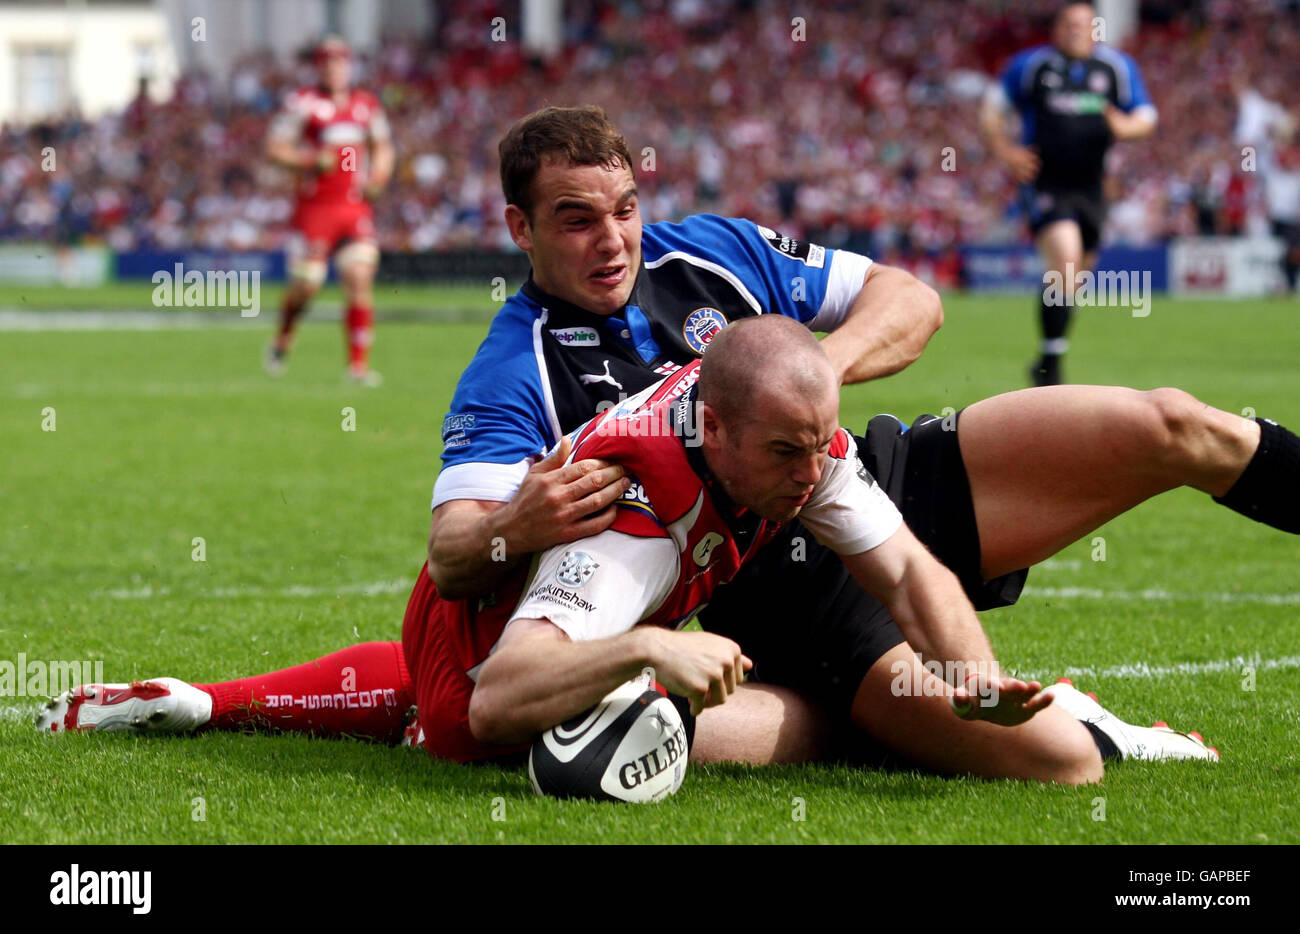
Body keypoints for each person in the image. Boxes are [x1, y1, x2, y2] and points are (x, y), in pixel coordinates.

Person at [41, 105, 1296, 776]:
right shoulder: (520, 367)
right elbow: (455, 551)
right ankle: (1005, 718)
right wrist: (513, 528)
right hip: (755, 582)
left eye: (624, 208)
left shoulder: (714, 252)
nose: (613, 238)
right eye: (576, 219)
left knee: (1174, 426)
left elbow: (907, 299)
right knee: (1043, 762)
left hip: (852, 469)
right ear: (522, 232)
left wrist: (805, 390)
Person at [39, 319, 1218, 785]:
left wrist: (963, 678)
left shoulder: (796, 442)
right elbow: (495, 697)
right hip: (488, 666)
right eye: (788, 454)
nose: (815, 475)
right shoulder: (629, 511)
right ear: (710, 429)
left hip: (481, 634)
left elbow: (911, 572)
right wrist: (650, 639)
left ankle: (207, 700)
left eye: (822, 450)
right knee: (455, 721)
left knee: (835, 695)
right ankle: (1088, 721)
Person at [980, 1, 1158, 385]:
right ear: (1056, 28)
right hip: (1046, 183)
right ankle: (1052, 365)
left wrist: (1128, 127)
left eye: (1083, 24)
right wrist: (1006, 151)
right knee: (1065, 258)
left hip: (1094, 188)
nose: (1075, 30)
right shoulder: (1030, 66)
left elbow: (1146, 116)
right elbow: (991, 111)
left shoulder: (1116, 68)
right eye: (1067, 24)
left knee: (1075, 278)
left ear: (1096, 28)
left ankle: (1048, 353)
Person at [263, 35, 394, 386]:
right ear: (318, 67)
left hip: (353, 207)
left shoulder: (366, 105)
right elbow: (274, 147)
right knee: (308, 284)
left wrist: (379, 175)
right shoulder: (303, 103)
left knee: (359, 277)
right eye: (327, 62)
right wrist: (307, 159)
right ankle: (282, 338)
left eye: (340, 62)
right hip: (315, 209)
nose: (334, 68)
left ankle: (358, 367)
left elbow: (383, 147)